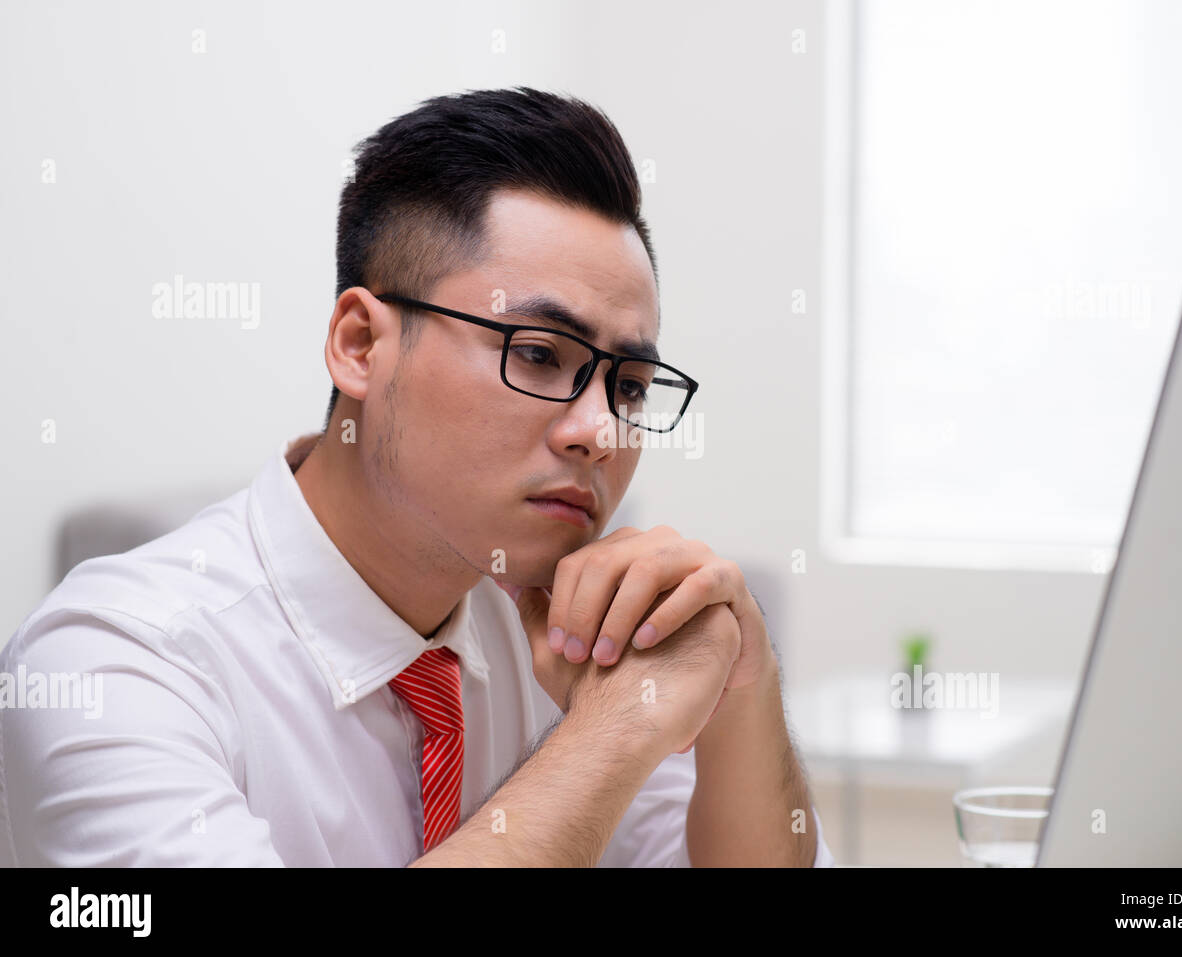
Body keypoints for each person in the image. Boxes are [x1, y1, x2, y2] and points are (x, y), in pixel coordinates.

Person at [0, 87, 833, 867]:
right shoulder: (112, 663)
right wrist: (611, 734)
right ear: (361, 345)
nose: (600, 431)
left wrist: (741, 678)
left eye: (629, 387)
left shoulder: (566, 626)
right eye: (539, 355)